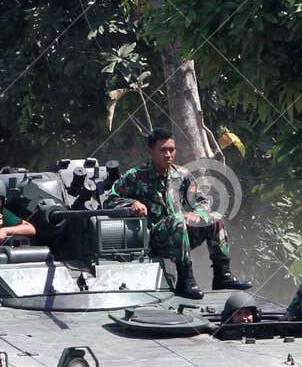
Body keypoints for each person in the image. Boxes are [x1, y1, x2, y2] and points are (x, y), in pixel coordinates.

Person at [104, 128, 252, 299]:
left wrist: (196, 213)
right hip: (153, 238)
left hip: (181, 234)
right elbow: (110, 202)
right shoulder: (135, 176)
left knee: (214, 219)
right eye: (162, 150)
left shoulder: (181, 175)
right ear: (150, 151)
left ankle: (222, 276)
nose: (168, 154)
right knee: (178, 220)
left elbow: (202, 201)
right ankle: (185, 281)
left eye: (171, 150)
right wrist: (132, 203)